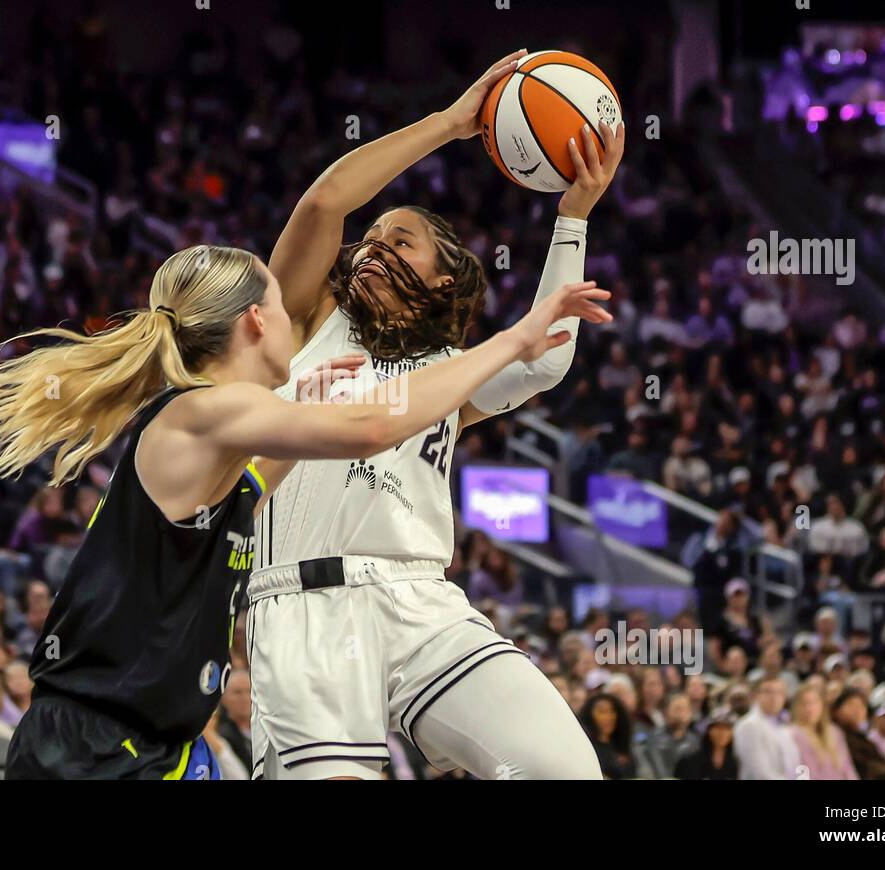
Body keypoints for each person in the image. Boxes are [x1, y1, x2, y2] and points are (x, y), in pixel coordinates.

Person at [0, 244, 605, 779]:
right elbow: (373, 425)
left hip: (156, 745)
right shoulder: (203, 409)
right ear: (257, 321)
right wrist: (512, 340)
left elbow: (256, 484)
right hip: (93, 749)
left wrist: (309, 416)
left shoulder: (219, 431)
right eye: (281, 301)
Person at [248, 49, 622, 780]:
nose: (375, 248)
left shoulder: (449, 377)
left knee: (565, 771)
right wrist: (451, 123)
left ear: (443, 274)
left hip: (424, 602)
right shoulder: (306, 320)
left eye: (401, 240)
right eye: (372, 240)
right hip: (304, 604)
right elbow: (326, 204)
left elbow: (544, 360)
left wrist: (572, 218)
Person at [733, 676, 800, 780]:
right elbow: (760, 774)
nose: (774, 697)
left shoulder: (786, 725)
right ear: (755, 695)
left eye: (779, 692)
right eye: (768, 692)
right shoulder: (748, 726)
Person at [788, 685, 858, 780]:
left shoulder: (835, 732)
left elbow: (848, 768)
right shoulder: (792, 734)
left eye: (814, 702)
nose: (810, 708)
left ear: (822, 705)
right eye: (804, 703)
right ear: (796, 707)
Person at [674, 707, 739, 780]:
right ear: (708, 730)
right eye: (717, 727)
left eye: (727, 728)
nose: (722, 733)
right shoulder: (690, 760)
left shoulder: (734, 763)